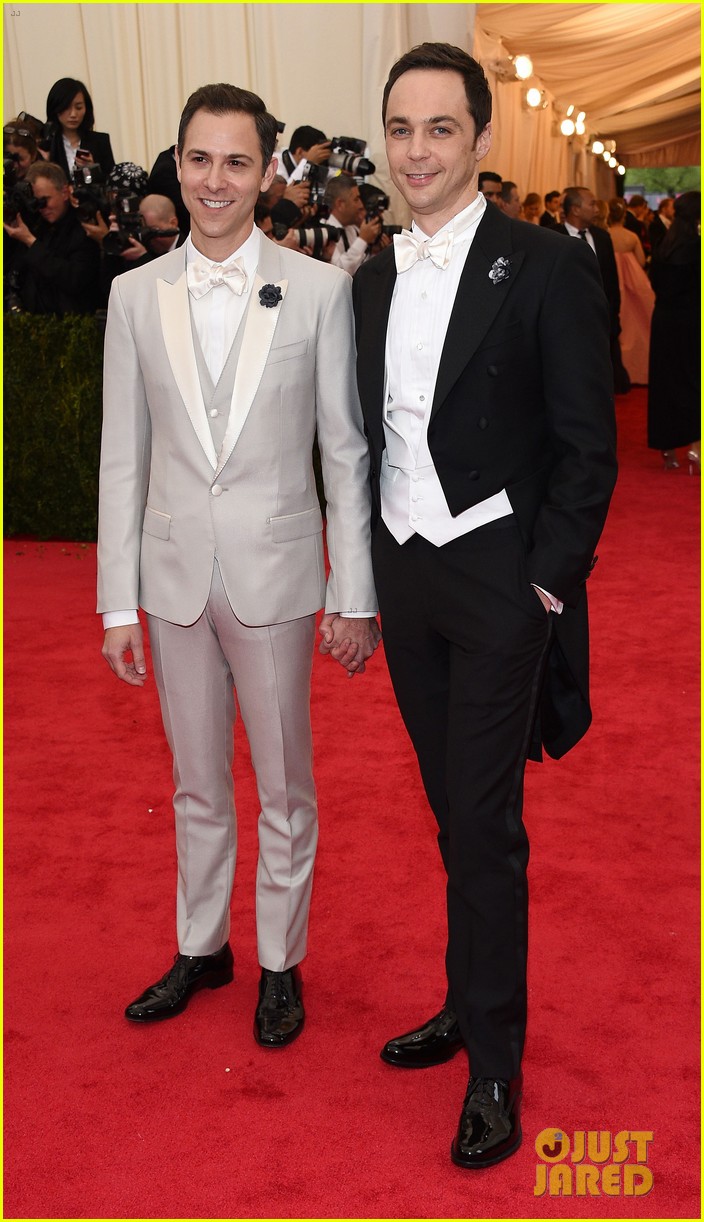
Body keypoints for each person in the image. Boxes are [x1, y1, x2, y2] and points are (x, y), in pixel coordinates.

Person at [351, 42, 616, 1169]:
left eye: (439, 129)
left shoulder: (540, 266)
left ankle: (494, 1064)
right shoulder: (370, 274)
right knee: (454, 816)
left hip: (502, 585)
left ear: (479, 138)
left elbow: (585, 447)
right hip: (407, 575)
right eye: (399, 130)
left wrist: (544, 585)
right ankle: (465, 1002)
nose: (416, 151)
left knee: (486, 827)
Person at [97, 83, 379, 1046]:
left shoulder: (319, 291)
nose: (215, 181)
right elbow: (122, 458)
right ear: (177, 165)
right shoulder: (133, 294)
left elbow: (344, 454)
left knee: (286, 784)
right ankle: (202, 945)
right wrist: (115, 605)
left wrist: (355, 592)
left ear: (266, 171)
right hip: (171, 578)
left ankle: (280, 961)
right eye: (198, 159)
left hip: (277, 577)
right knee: (196, 781)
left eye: (236, 161)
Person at [3, 159, 101, 315]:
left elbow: (73, 279)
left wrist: (30, 241)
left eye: (45, 200)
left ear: (64, 192)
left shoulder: (85, 227)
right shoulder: (34, 223)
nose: (42, 208)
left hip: (73, 325)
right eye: (36, 202)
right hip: (35, 322)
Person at [557, 186, 630, 393]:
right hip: (563, 321)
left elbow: (611, 281)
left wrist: (613, 315)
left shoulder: (602, 237)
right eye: (592, 204)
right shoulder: (552, 236)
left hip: (599, 320)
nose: (597, 209)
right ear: (576, 210)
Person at [647, 190, 700, 472]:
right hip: (691, 321)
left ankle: (668, 449)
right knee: (693, 381)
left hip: (664, 320)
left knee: (665, 382)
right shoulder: (696, 247)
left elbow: (655, 282)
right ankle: (696, 446)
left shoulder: (664, 244)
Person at [607, 197, 654, 385]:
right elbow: (641, 261)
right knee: (639, 323)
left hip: (612, 280)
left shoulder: (604, 234)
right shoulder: (631, 236)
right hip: (633, 281)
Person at [45, 77, 115, 180]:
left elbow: (112, 183)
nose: (73, 114)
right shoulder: (48, 144)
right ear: (55, 108)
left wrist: (92, 169)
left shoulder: (100, 141)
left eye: (79, 108)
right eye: (66, 107)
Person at [323, 174, 384, 275]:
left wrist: (374, 250)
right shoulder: (324, 231)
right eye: (356, 199)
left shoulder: (352, 229)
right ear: (340, 204)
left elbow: (362, 268)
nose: (360, 204)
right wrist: (363, 240)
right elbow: (339, 272)